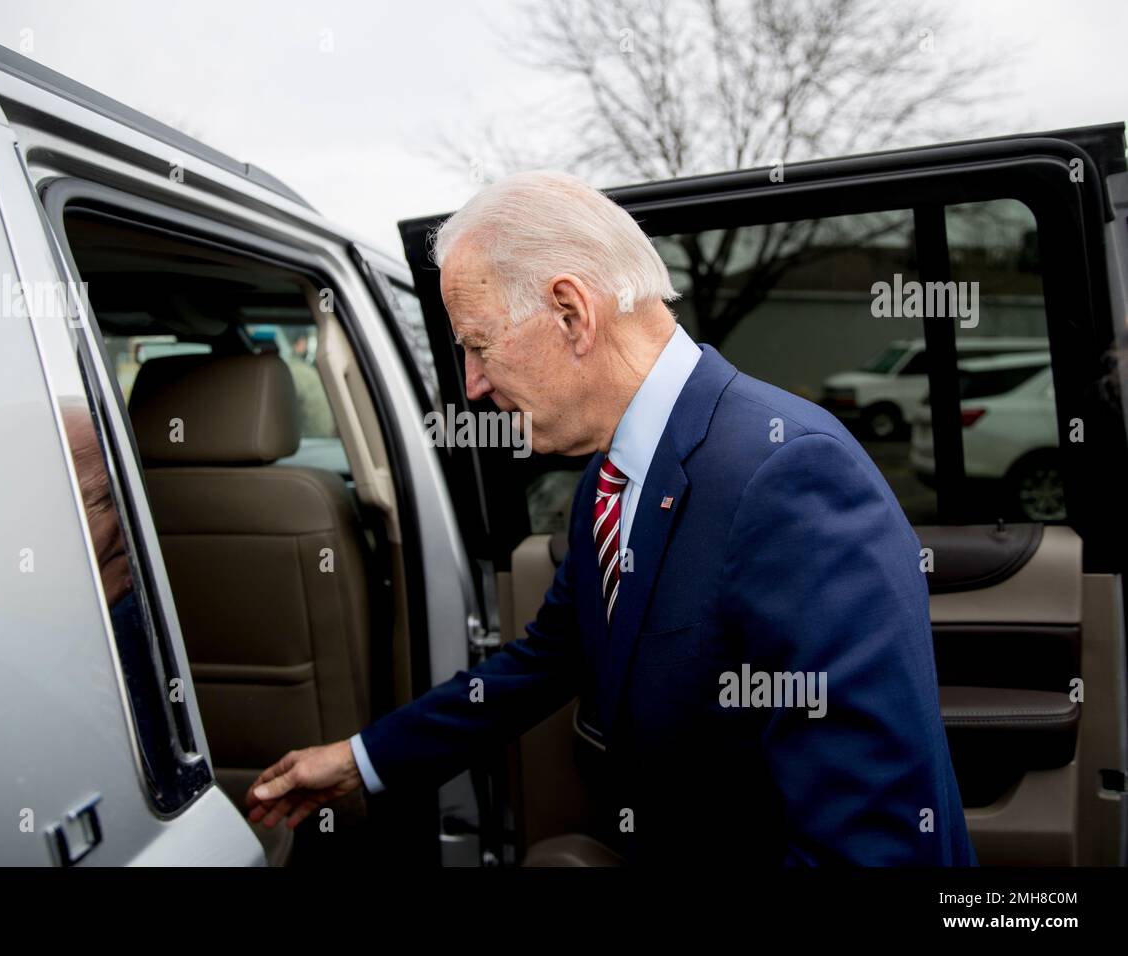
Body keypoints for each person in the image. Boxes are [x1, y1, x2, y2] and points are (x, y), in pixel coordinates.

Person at [246, 170, 975, 866]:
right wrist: (361, 760)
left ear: (572, 313)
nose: (470, 386)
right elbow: (544, 660)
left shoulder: (788, 473)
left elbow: (876, 840)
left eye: (477, 345)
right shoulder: (614, 470)